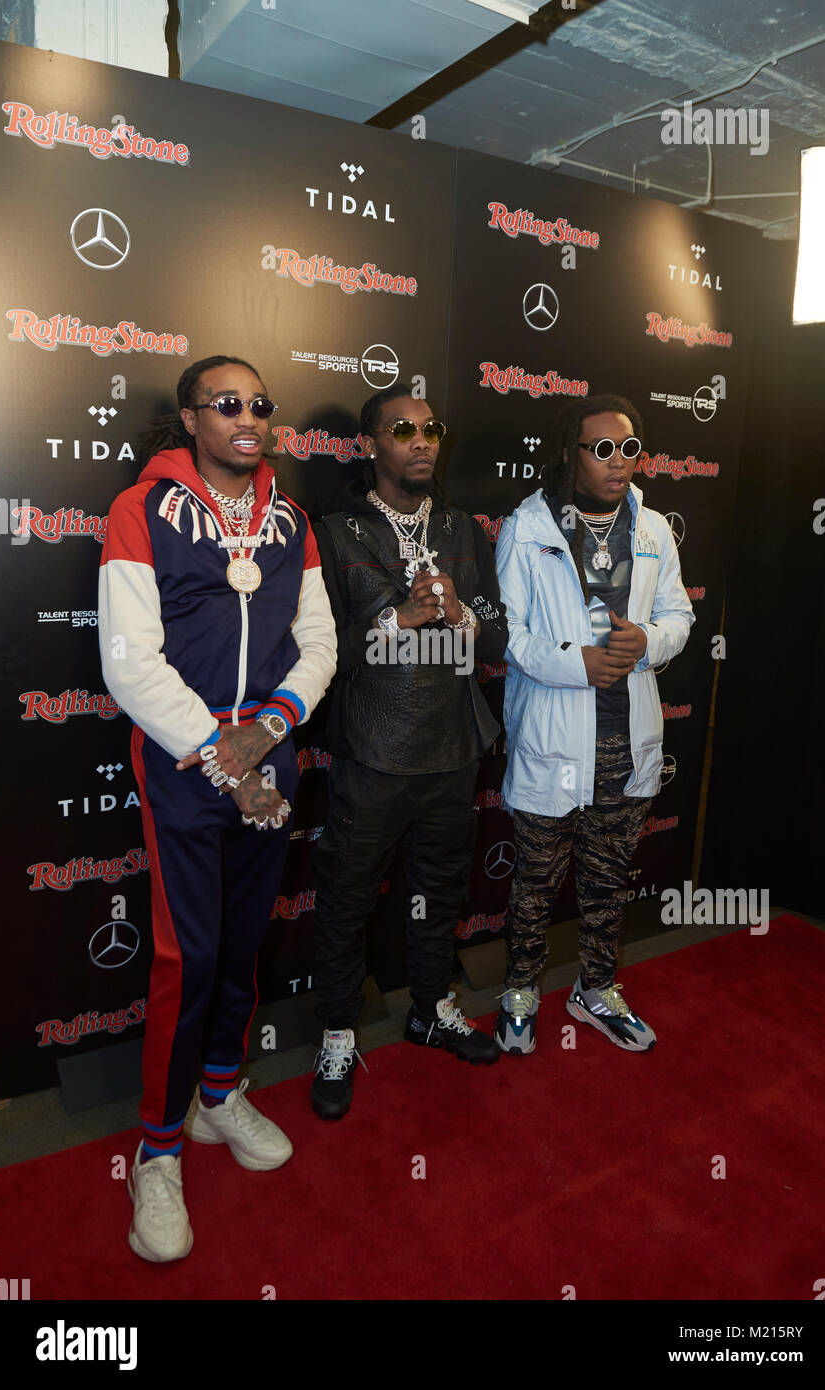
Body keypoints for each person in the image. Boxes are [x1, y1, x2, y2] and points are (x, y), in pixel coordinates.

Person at [98, 355, 336, 1261]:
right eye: (226, 403)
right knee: (185, 956)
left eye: (259, 405)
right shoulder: (139, 510)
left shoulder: (293, 519)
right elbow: (129, 662)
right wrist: (220, 756)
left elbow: (317, 641)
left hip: (269, 755)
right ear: (191, 418)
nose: (248, 416)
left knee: (243, 942)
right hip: (186, 763)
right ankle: (156, 1153)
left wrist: (270, 729)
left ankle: (219, 1095)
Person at [309, 382, 510, 1118]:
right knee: (346, 899)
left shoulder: (462, 528)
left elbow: (495, 640)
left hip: (453, 748)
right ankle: (336, 1031)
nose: (421, 441)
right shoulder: (335, 531)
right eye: (402, 430)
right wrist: (398, 616)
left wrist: (460, 611)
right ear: (371, 444)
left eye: (431, 429)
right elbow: (322, 654)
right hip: (371, 751)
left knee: (440, 891)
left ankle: (429, 1007)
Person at [494, 394, 694, 1055]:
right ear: (568, 452)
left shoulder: (654, 527)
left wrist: (651, 644)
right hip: (554, 736)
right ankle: (520, 991)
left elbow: (678, 617)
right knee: (535, 881)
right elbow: (510, 636)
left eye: (628, 448)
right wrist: (573, 663)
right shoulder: (527, 526)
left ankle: (595, 989)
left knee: (607, 881)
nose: (617, 461)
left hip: (627, 739)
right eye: (600, 448)